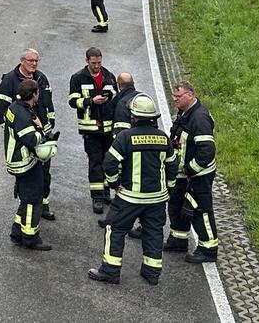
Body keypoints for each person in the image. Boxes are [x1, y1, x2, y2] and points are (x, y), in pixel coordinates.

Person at [88, 94, 178, 286]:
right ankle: (152, 273)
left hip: (129, 197)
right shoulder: (163, 138)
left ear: (133, 116)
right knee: (153, 232)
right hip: (156, 198)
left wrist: (114, 184)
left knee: (115, 228)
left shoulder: (125, 137)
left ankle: (110, 271)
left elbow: (109, 163)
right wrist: (168, 188)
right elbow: (172, 165)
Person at [0, 49, 57, 220]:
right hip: (26, 139)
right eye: (31, 61)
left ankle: (43, 205)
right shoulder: (9, 80)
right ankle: (29, 205)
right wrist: (12, 131)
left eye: (36, 61)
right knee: (29, 176)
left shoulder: (41, 78)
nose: (34, 64)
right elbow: (0, 108)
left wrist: (49, 125)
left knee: (44, 173)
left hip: (42, 135)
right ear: (22, 61)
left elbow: (48, 104)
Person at [166, 81, 220, 263]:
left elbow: (206, 151)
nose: (175, 100)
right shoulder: (185, 113)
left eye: (178, 97)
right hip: (184, 174)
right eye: (173, 96)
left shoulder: (199, 118)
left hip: (198, 176)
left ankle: (208, 250)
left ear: (190, 95)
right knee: (177, 205)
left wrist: (190, 170)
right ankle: (178, 239)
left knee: (200, 210)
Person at [5, 79, 56, 251]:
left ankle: (17, 231)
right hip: (25, 162)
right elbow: (31, 139)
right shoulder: (23, 114)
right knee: (33, 199)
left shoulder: (15, 107)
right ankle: (30, 237)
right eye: (38, 93)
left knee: (26, 197)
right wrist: (40, 130)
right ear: (34, 94)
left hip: (18, 160)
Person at [69, 47, 118, 214]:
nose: (97, 66)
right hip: (90, 129)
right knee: (95, 161)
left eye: (99, 62)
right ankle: (96, 197)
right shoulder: (78, 78)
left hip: (108, 127)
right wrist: (91, 101)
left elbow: (115, 95)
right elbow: (73, 101)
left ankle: (105, 192)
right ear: (87, 61)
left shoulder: (108, 75)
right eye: (93, 63)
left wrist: (108, 97)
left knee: (107, 160)